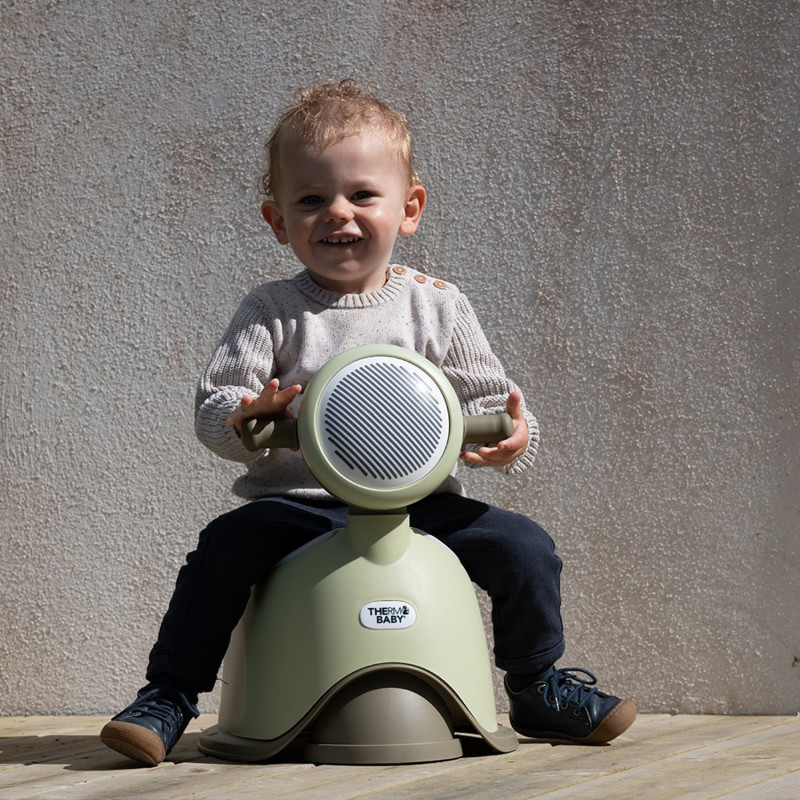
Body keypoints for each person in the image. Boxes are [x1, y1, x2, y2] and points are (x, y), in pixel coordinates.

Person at [101, 79, 636, 766]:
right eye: (312, 200)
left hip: (419, 505)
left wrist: (512, 436)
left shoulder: (438, 307)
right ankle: (169, 695)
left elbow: (490, 400)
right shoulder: (271, 311)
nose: (338, 215)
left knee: (524, 546)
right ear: (277, 220)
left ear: (409, 208)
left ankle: (536, 684)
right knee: (224, 550)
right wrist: (246, 418)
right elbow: (215, 410)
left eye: (362, 195)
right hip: (299, 506)